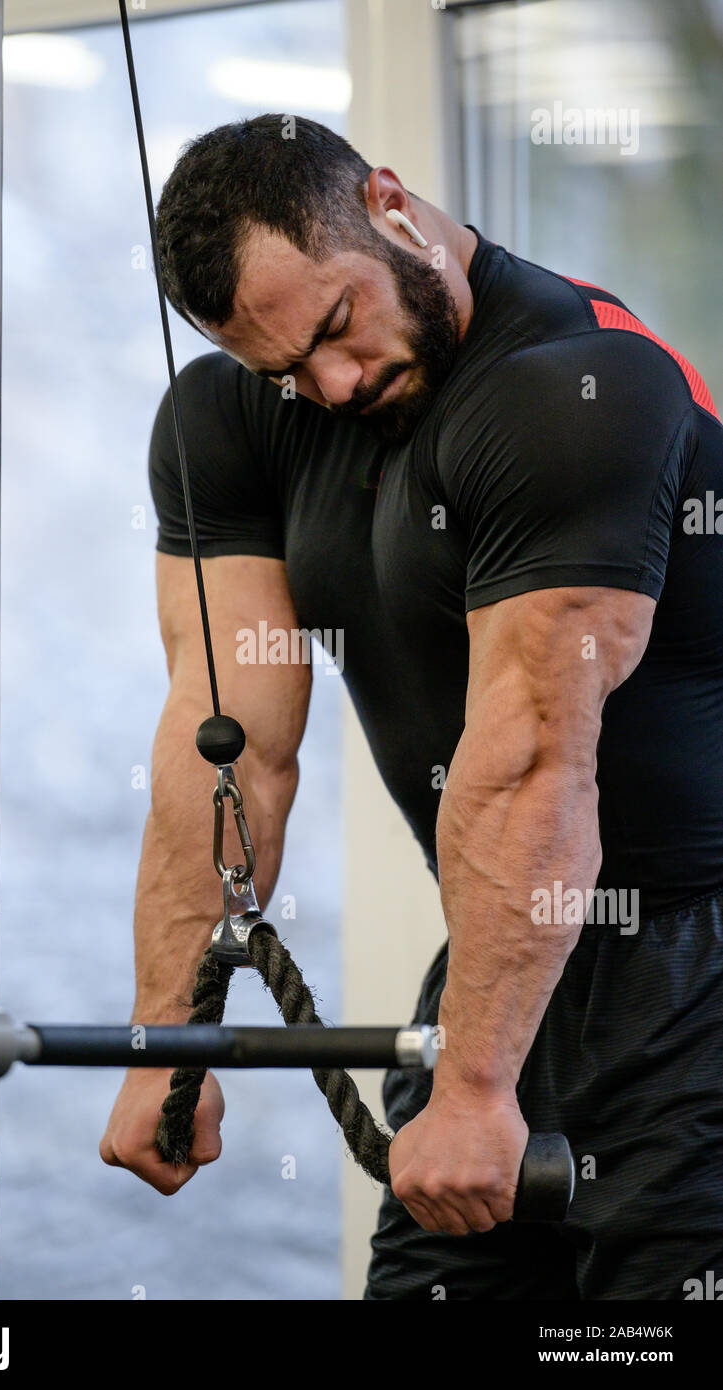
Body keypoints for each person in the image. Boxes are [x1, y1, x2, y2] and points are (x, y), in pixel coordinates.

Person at [100, 114, 723, 1300]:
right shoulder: (232, 421)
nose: (329, 385)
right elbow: (226, 740)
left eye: (337, 324)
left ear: (389, 204)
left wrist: (478, 1087)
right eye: (282, 369)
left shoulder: (577, 387)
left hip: (695, 964)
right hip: (507, 953)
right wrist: (164, 1037)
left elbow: (536, 762)